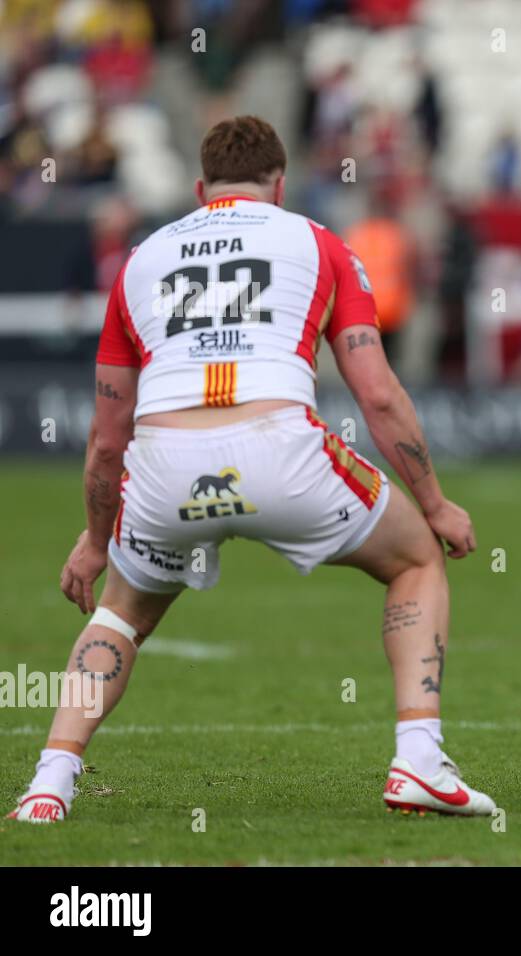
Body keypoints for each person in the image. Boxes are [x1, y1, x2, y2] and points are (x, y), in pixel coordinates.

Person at [9, 116, 494, 823]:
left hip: (165, 462)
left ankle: (49, 784)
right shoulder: (318, 242)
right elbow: (379, 394)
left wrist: (93, 536)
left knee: (120, 613)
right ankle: (418, 758)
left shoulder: (141, 259)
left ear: (202, 189)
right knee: (416, 557)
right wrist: (437, 502)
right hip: (281, 451)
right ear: (281, 184)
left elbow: (107, 437)